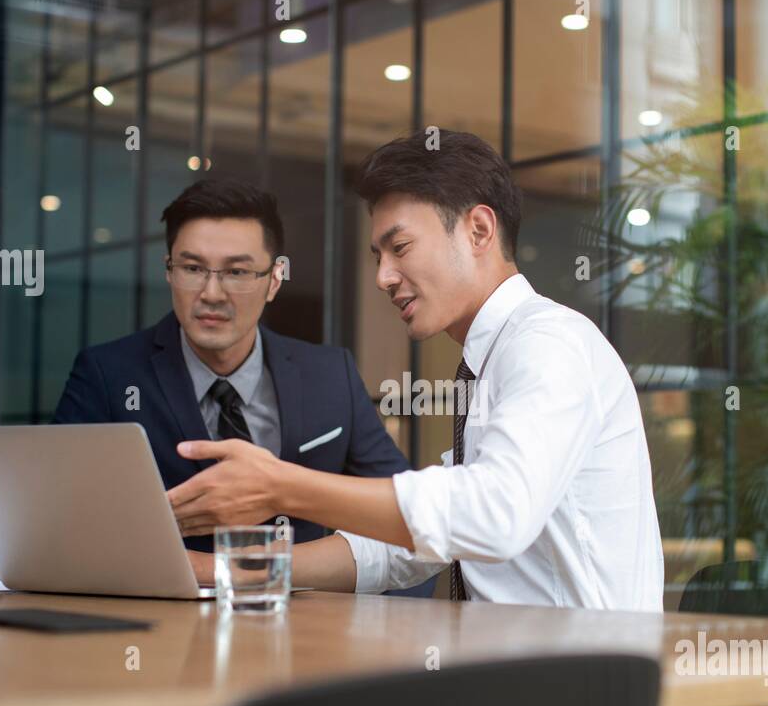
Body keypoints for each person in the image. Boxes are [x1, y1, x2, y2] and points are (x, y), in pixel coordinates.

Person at [52, 177, 433, 706]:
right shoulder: (108, 373)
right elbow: (59, 530)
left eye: (237, 271)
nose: (211, 293)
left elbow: (399, 513)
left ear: (274, 278)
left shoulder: (328, 372)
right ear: (168, 270)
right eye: (192, 268)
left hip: (304, 675)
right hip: (151, 677)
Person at [170, 130, 664, 613]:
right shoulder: (494, 359)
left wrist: (281, 487)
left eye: (400, 247)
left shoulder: (548, 344)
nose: (383, 276)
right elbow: (413, 546)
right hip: (513, 676)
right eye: (379, 256)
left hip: (583, 683)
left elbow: (493, 515)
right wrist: (230, 569)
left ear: (479, 230)